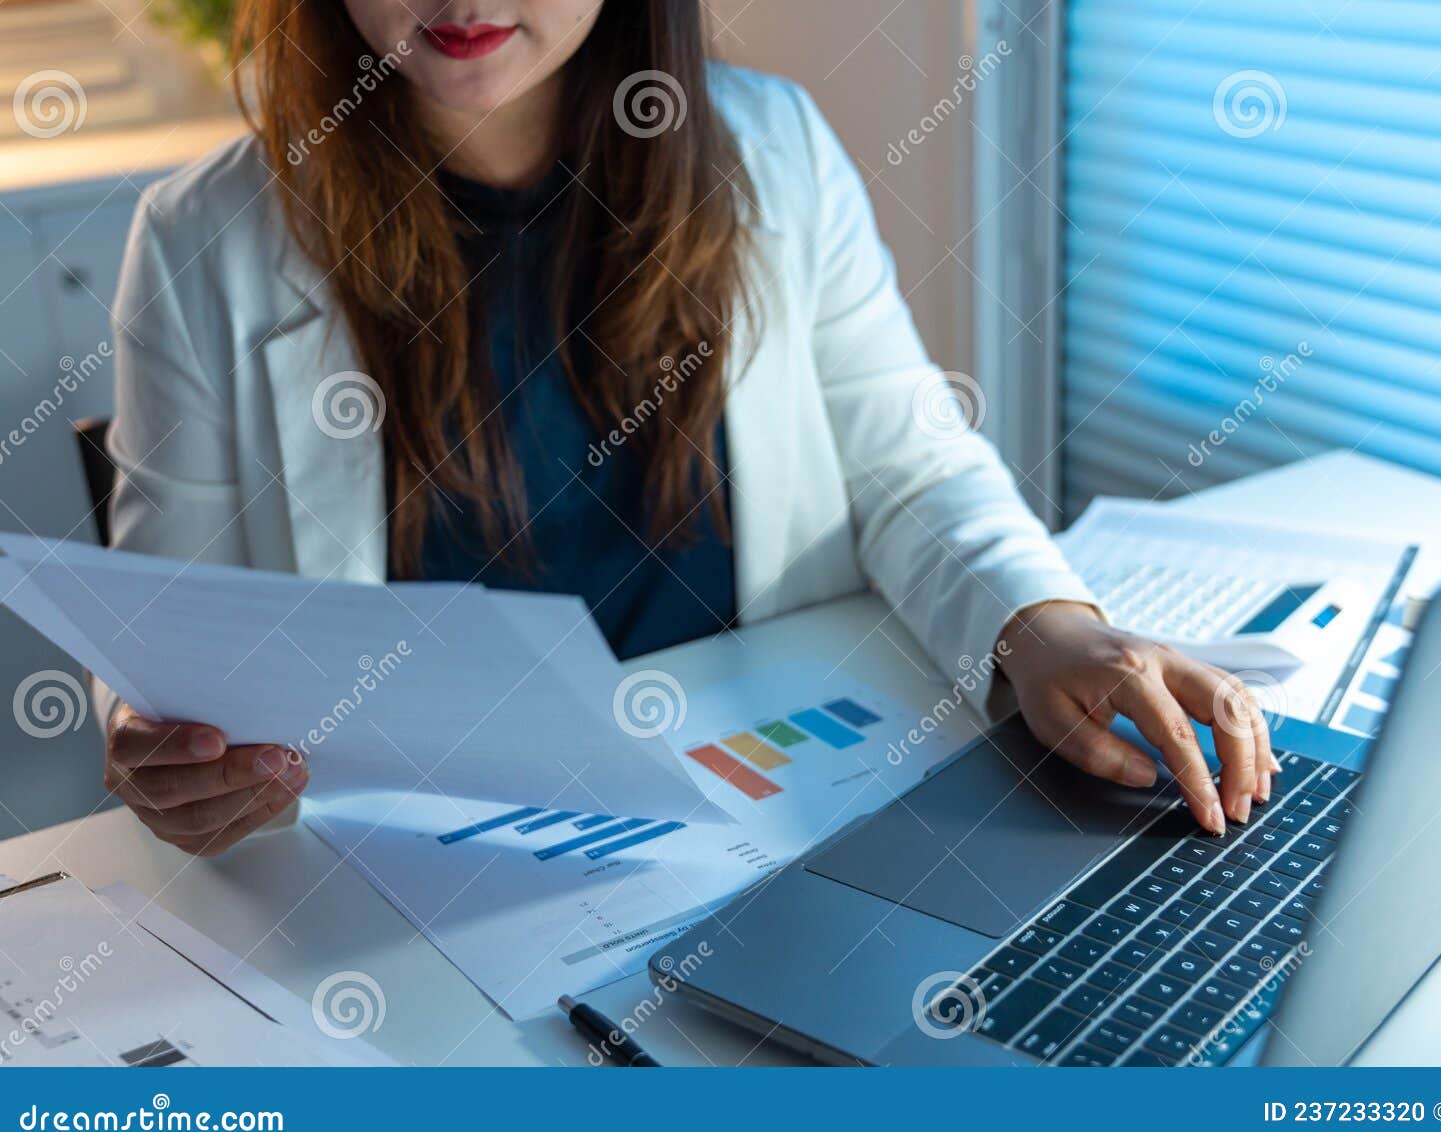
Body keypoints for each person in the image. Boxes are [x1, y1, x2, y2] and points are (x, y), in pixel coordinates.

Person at [98, 0, 1274, 857]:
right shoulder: (202, 240)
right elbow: (172, 633)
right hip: (428, 849)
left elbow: (910, 465)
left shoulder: (778, 148)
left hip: (771, 796)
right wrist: (165, 750)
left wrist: (1045, 625)